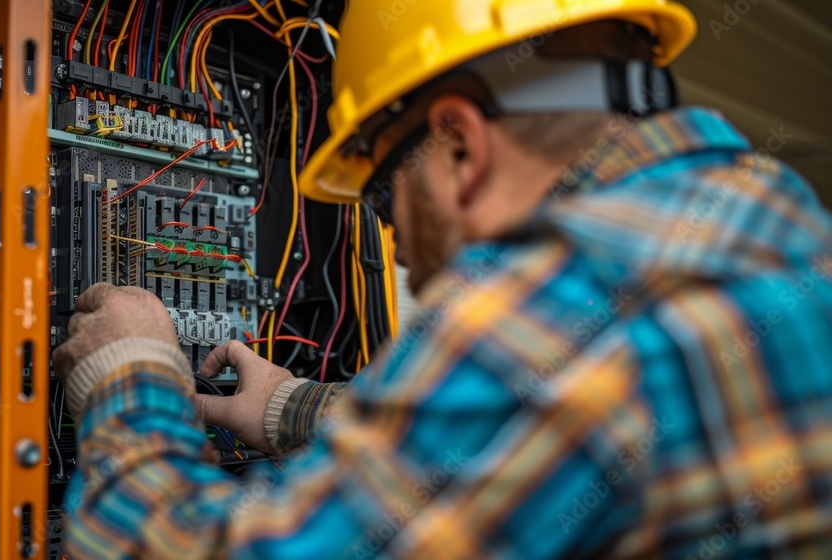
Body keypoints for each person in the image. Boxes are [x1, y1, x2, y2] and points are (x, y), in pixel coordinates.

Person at [53, 0, 832, 557]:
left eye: (388, 205)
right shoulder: (775, 214)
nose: (393, 255)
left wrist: (132, 376)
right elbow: (545, 437)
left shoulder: (562, 297)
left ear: (458, 146)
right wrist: (294, 408)